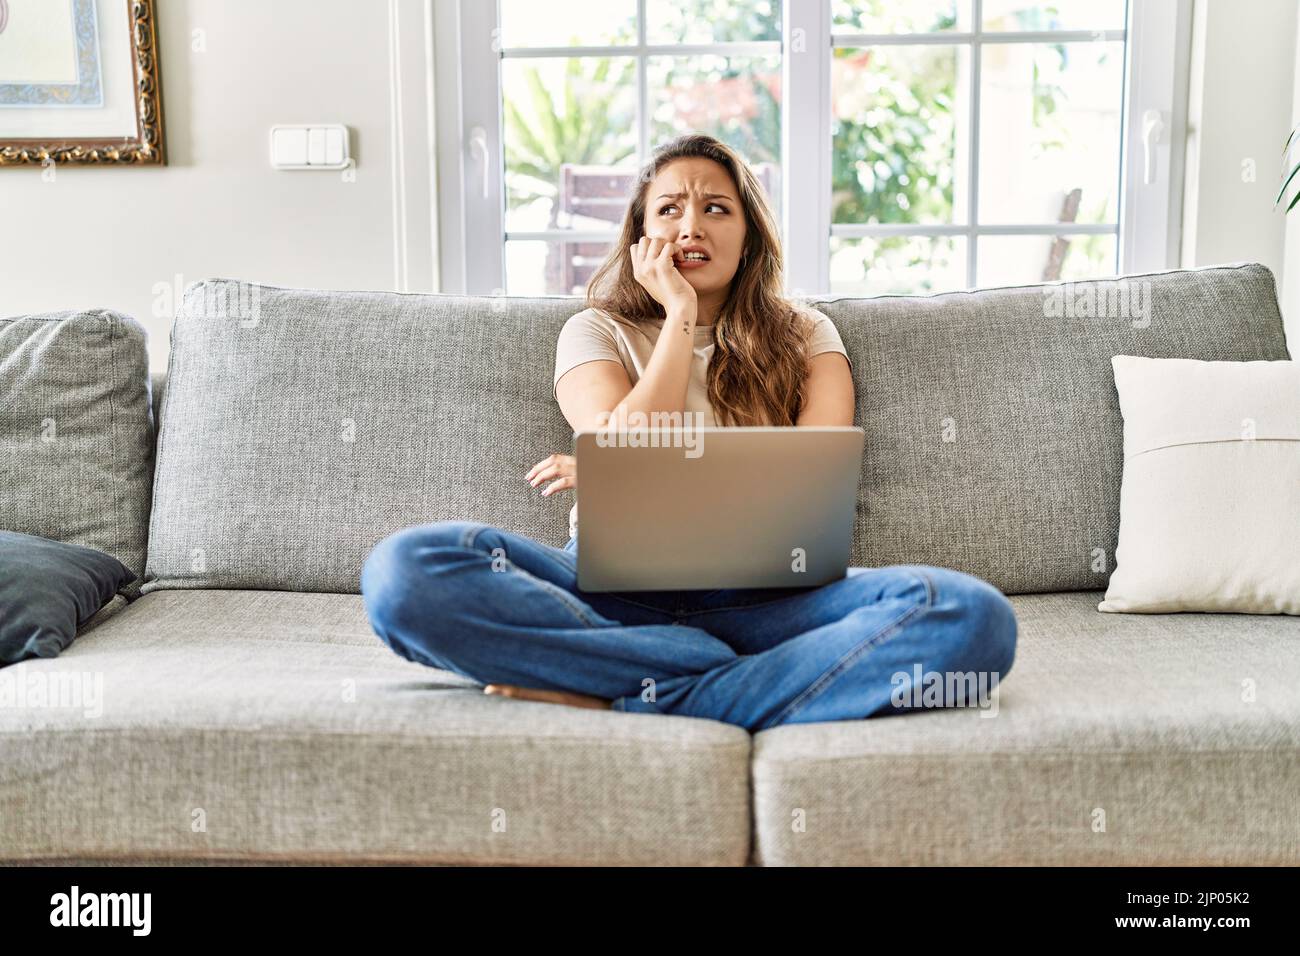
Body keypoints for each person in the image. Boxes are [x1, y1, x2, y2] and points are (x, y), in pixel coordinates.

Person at [361, 133, 1016, 732]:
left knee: (967, 616)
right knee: (404, 572)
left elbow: (816, 474)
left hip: (770, 600)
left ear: (750, 235)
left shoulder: (807, 334)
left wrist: (634, 466)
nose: (691, 225)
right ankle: (712, 669)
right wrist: (677, 314)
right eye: (669, 209)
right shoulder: (594, 332)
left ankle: (646, 692)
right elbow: (625, 444)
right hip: (606, 593)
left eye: (716, 209)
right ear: (640, 234)